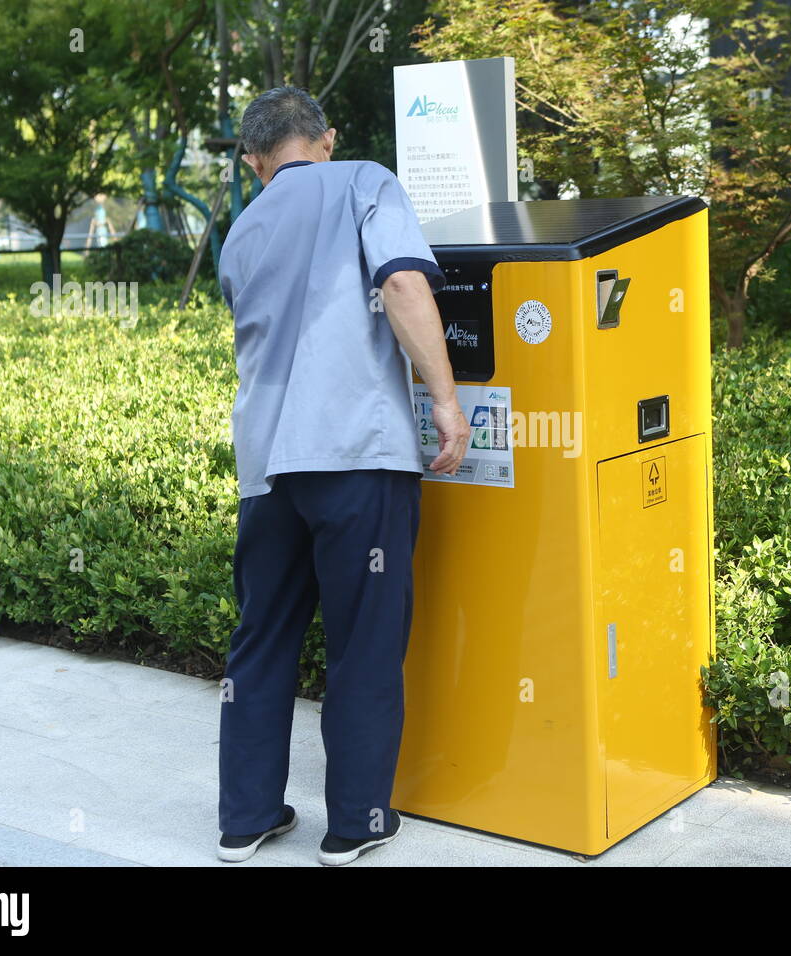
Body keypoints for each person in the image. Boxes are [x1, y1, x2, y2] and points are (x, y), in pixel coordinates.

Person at [214, 86, 470, 866]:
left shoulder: (241, 231)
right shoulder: (364, 179)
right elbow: (401, 285)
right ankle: (357, 821)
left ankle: (246, 819)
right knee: (363, 642)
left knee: (260, 641)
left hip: (268, 470)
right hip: (357, 455)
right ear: (324, 138)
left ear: (255, 162)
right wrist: (447, 402)